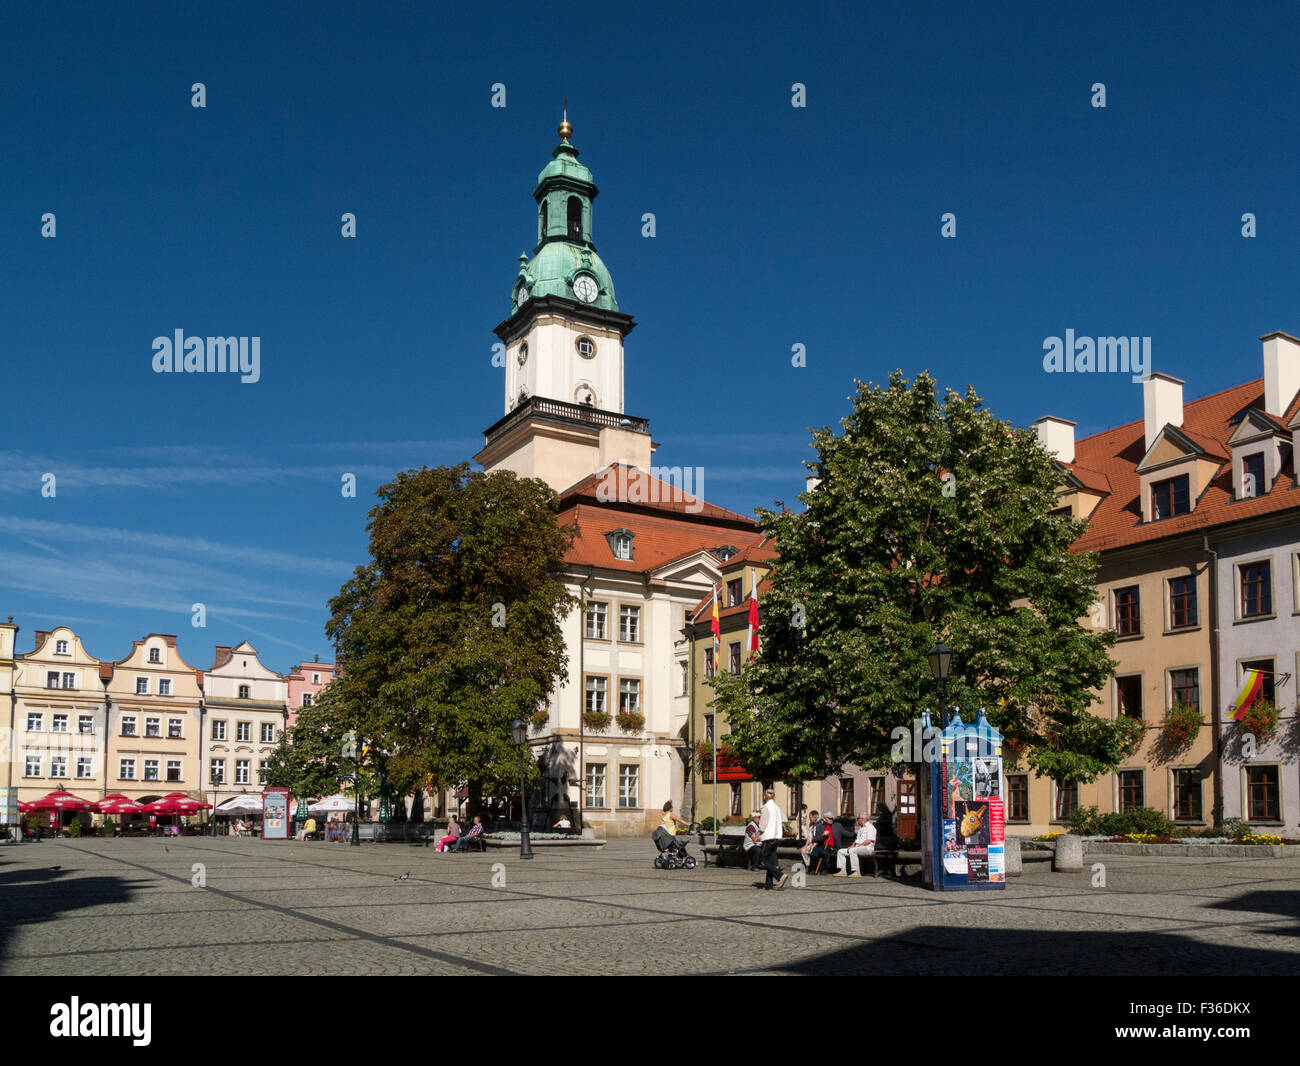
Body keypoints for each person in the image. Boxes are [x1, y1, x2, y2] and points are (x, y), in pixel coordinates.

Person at [758, 788, 788, 889]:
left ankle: (780, 875)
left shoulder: (766, 807)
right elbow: (784, 819)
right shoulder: (776, 807)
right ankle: (768, 884)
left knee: (762, 860)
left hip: (768, 837)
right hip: (776, 836)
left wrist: (757, 834)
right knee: (770, 861)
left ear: (764, 796)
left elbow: (763, 825)